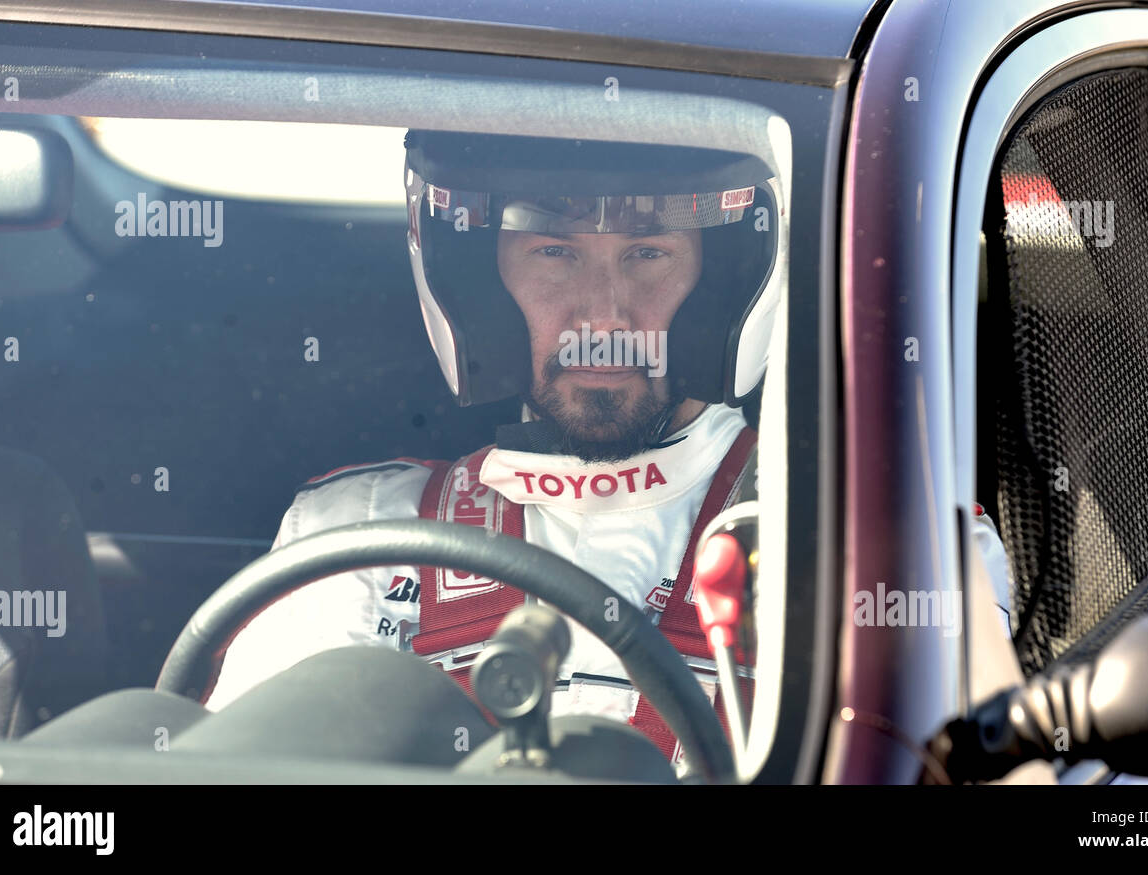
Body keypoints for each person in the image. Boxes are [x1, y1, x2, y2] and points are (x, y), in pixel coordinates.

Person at [204, 130, 1013, 766]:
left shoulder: (883, 544)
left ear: (721, 278)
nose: (603, 315)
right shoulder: (357, 535)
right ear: (483, 281)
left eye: (647, 251)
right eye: (553, 251)